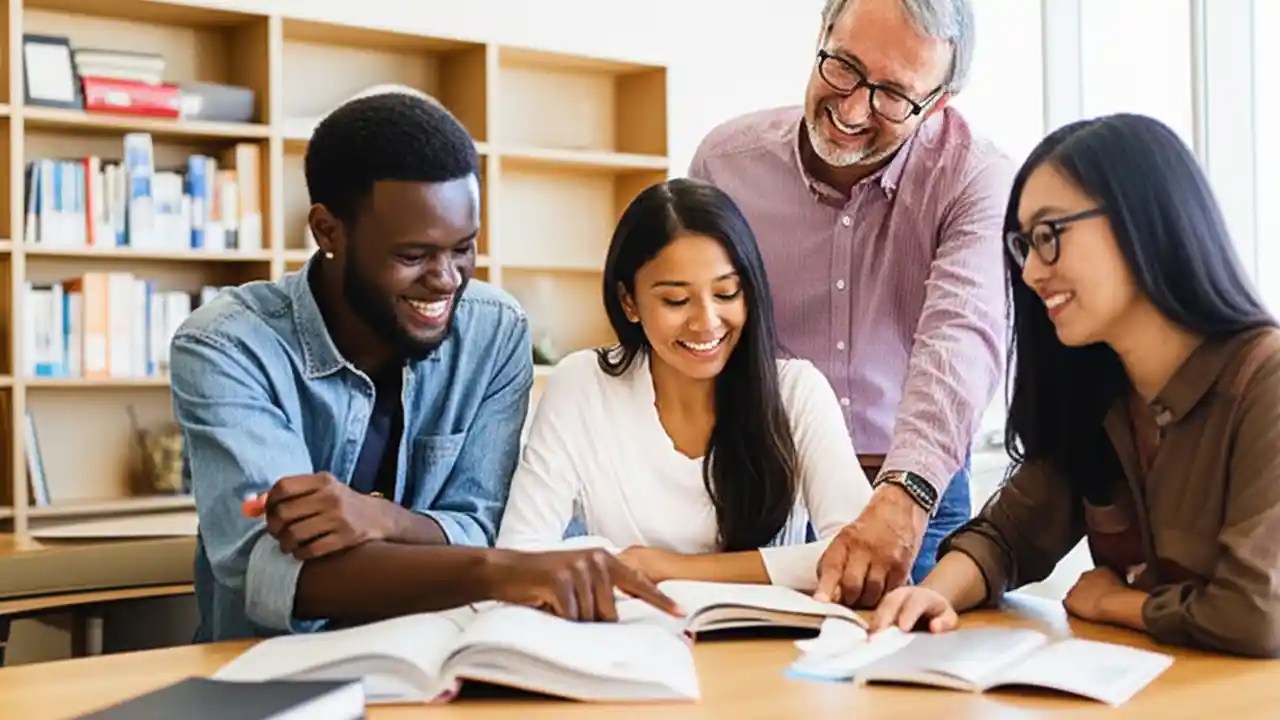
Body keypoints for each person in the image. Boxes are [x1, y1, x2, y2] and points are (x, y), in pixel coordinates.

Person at [170, 92, 679, 642]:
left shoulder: (493, 330)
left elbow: (485, 523)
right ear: (328, 231)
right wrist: (499, 571)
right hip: (273, 675)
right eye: (413, 256)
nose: (447, 279)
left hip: (444, 658)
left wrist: (383, 520)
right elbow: (271, 573)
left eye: (464, 248)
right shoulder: (227, 345)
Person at [873, 113, 1280, 658]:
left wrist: (1114, 604)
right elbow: (1005, 537)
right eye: (1024, 246)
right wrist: (932, 597)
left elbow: (1257, 613)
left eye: (1049, 236)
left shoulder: (1265, 382)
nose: (1032, 273)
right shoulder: (1096, 391)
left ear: (1142, 220)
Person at [687, 0, 1013, 606]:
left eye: (893, 94)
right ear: (822, 35)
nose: (853, 109)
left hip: (915, 490)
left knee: (913, 682)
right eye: (843, 67)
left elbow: (962, 336)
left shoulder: (974, 178)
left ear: (939, 102)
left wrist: (904, 493)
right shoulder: (726, 165)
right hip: (765, 486)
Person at [495, 178, 872, 591]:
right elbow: (520, 552)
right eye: (676, 301)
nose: (706, 321)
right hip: (634, 642)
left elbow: (858, 554)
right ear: (629, 303)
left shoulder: (797, 391)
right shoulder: (584, 384)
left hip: (767, 647)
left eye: (727, 293)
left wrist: (665, 567)